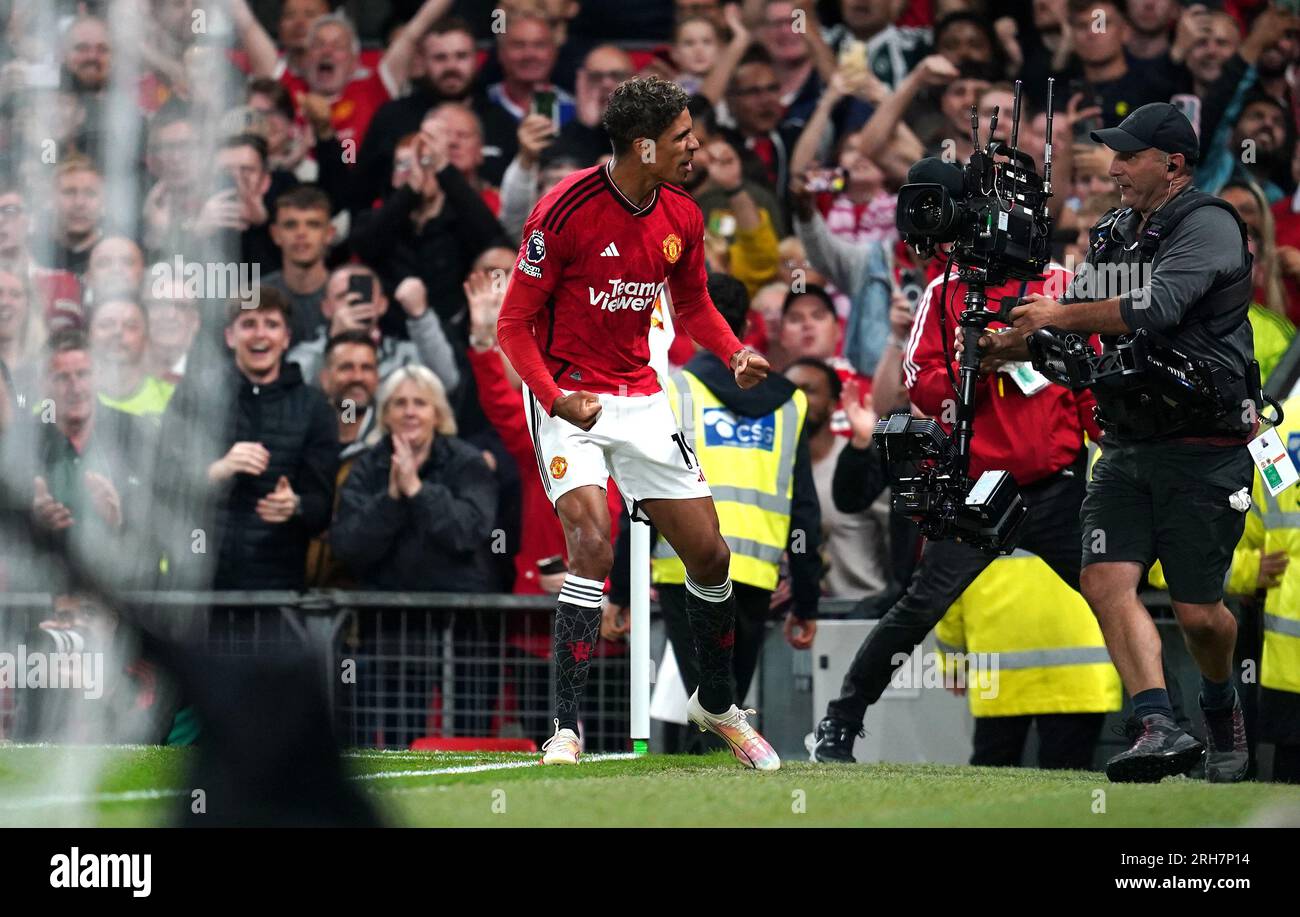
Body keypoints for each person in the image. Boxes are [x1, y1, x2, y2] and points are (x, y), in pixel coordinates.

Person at [496, 75, 779, 769]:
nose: (697, 146)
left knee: (711, 555)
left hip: (642, 398)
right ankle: (565, 729)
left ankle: (717, 705)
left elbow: (694, 305)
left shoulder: (682, 214)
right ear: (644, 145)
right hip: (569, 396)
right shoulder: (561, 213)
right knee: (593, 543)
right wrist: (554, 398)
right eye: (684, 136)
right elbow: (512, 325)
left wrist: (733, 350)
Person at [983, 102, 1257, 783]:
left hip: (1203, 446)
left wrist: (1056, 313)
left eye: (1128, 157)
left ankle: (1219, 700)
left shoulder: (1210, 225)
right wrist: (1012, 343)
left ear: (1173, 165)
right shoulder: (1113, 233)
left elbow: (1158, 306)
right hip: (1128, 444)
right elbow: (1073, 316)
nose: (1114, 168)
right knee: (1104, 578)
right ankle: (1158, 722)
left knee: (1199, 614)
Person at [808, 225, 1095, 765]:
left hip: (1055, 483)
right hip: (978, 483)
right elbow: (921, 382)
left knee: (1113, 592)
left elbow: (1090, 377)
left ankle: (1164, 721)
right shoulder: (944, 290)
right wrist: (977, 370)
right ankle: (840, 724)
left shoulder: (1062, 286)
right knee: (919, 606)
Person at [620, 274, 820, 731]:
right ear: (746, 323)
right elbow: (805, 507)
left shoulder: (673, 392)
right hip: (755, 573)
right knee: (725, 702)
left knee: (714, 706)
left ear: (690, 322)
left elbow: (642, 496)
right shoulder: (792, 401)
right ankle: (723, 787)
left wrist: (621, 588)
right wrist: (806, 600)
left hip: (684, 565)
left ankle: (714, 788)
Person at [161, 288, 338, 591]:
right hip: (198, 583)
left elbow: (322, 508)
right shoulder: (194, 396)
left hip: (277, 590)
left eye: (271, 324)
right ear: (230, 336)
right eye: (249, 324)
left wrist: (295, 505)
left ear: (286, 338)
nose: (260, 335)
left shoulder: (316, 408)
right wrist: (217, 471)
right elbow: (161, 485)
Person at [331, 365, 498, 591]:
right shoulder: (366, 467)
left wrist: (417, 491)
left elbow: (469, 533)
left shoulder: (467, 462)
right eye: (399, 403)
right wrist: (390, 500)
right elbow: (347, 547)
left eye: (420, 403)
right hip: (382, 615)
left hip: (456, 615)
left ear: (437, 415)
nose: (410, 412)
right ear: (386, 416)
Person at [288, 264, 461, 394]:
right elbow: (295, 396)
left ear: (383, 305)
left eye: (364, 296)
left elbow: (445, 382)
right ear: (326, 308)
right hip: (331, 437)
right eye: (342, 296)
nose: (353, 303)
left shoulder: (403, 355)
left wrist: (420, 317)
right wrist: (336, 342)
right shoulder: (305, 355)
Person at [262, 185, 335, 344]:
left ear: (329, 234)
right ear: (275, 234)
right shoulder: (254, 297)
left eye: (313, 224)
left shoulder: (345, 296)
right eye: (290, 225)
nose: (301, 233)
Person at [87, 297, 175, 419]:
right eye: (106, 325)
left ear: (146, 338)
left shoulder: (172, 400)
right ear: (89, 335)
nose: (117, 332)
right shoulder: (69, 395)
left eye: (131, 326)